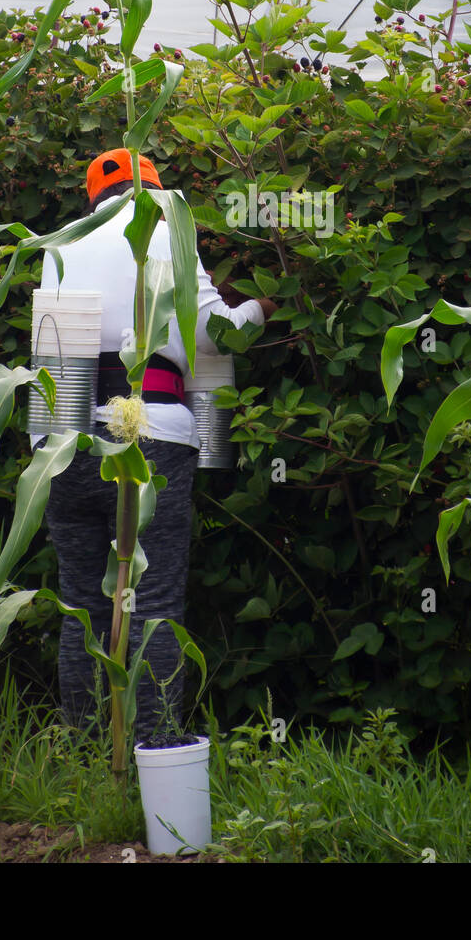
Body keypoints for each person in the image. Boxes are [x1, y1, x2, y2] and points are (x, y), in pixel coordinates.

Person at [30, 147, 276, 742]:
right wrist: (262, 310)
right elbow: (214, 339)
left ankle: (89, 751)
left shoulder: (61, 245)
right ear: (157, 193)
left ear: (93, 197)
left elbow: (51, 360)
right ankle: (158, 748)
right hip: (153, 436)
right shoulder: (171, 236)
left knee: (83, 603)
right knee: (155, 600)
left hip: (62, 445)